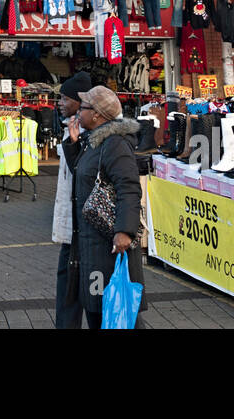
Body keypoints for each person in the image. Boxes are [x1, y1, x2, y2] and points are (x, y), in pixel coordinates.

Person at [63, 85, 145, 329]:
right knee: (101, 312)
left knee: (114, 313)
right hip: (92, 242)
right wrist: (74, 144)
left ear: (97, 115)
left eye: (84, 107)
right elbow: (83, 174)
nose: (79, 111)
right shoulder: (95, 141)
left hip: (108, 245)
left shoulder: (115, 144)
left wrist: (124, 231)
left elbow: (129, 188)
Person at [53, 71, 90, 329]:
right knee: (67, 282)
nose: (60, 103)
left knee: (75, 282)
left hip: (84, 225)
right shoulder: (72, 129)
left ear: (80, 101)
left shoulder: (90, 132)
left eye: (65, 98)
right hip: (73, 224)